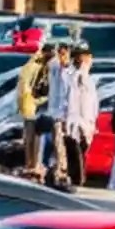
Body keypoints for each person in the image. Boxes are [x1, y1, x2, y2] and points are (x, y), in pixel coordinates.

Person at [61, 46, 98, 190]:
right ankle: (77, 179)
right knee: (74, 152)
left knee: (82, 151)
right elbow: (68, 100)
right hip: (73, 121)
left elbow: (93, 103)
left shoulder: (89, 80)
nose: (89, 61)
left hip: (86, 122)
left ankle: (78, 178)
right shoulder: (71, 76)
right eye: (86, 58)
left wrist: (92, 123)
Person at [17, 45, 52, 177]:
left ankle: (30, 164)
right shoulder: (37, 67)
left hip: (28, 106)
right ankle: (33, 164)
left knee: (30, 137)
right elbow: (34, 89)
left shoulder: (29, 66)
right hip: (33, 107)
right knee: (35, 137)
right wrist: (43, 99)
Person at [44, 43, 73, 182]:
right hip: (53, 112)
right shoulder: (55, 69)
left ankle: (61, 168)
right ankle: (55, 166)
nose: (61, 57)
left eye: (64, 54)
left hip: (62, 113)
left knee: (59, 143)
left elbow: (69, 96)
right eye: (59, 54)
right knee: (54, 142)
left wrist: (66, 115)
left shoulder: (69, 73)